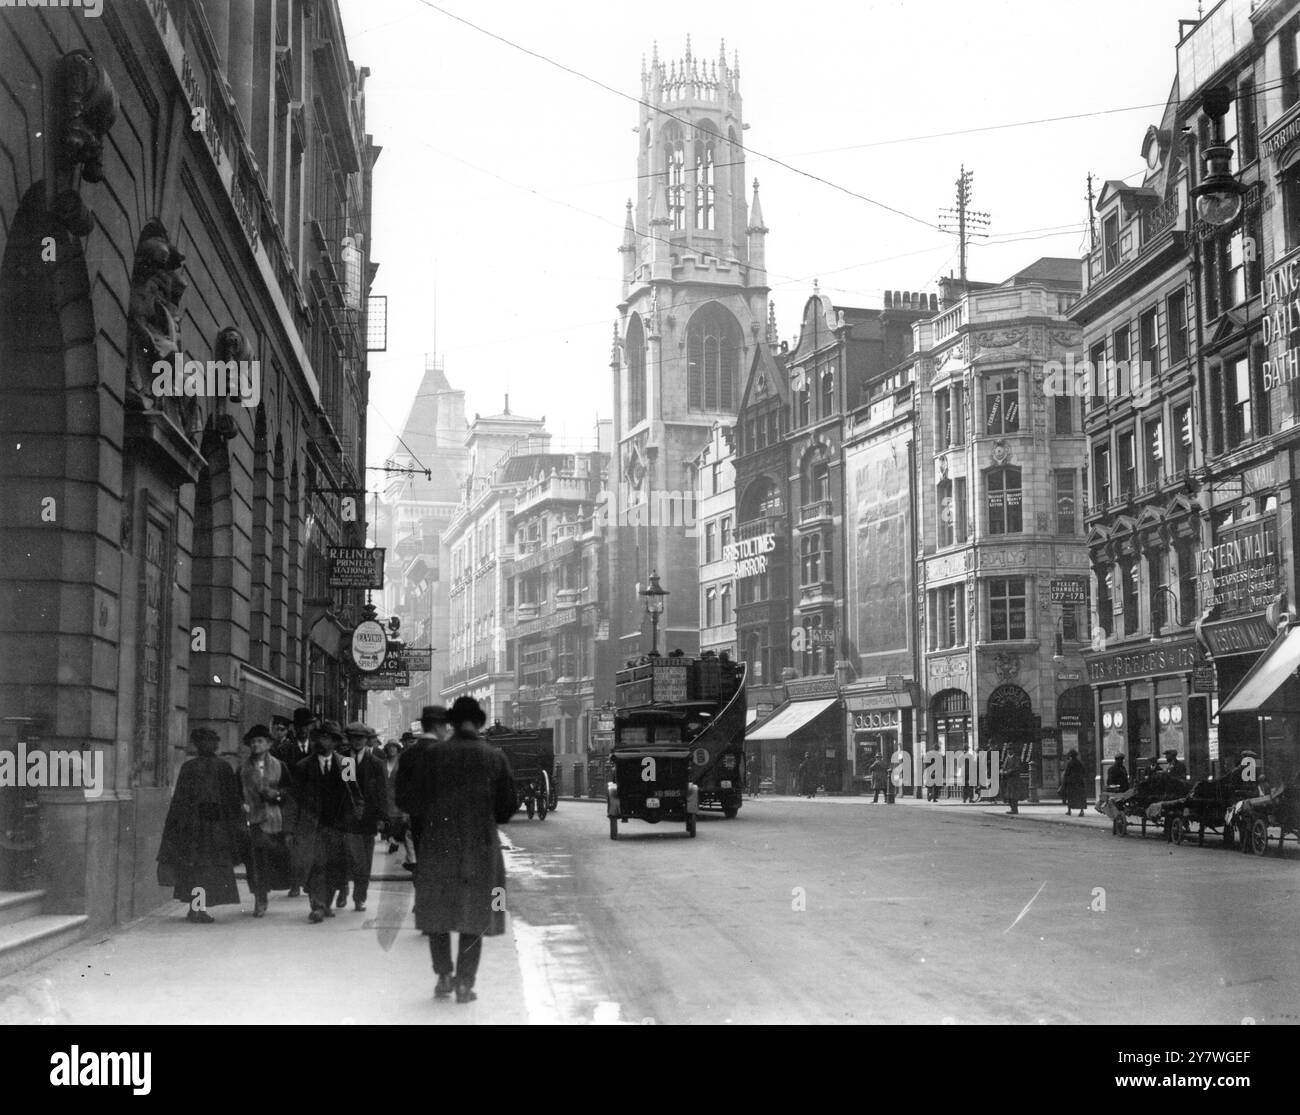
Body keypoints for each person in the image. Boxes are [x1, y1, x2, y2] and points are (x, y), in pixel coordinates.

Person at [396, 696, 515, 1004]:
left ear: (451, 723)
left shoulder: (433, 755)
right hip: (480, 847)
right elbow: (505, 811)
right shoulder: (495, 757)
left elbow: (408, 800)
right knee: (476, 913)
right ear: (478, 722)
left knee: (437, 911)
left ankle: (443, 975)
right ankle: (465, 983)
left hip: (438, 845)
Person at [157, 727, 247, 923]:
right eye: (203, 742)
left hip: (215, 829)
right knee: (197, 871)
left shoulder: (223, 768)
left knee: (208, 871)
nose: (208, 745)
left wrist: (234, 827)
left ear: (215, 744)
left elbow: (232, 800)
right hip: (195, 829)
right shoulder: (189, 768)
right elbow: (180, 801)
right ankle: (196, 908)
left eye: (211, 741)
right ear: (197, 745)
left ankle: (198, 907)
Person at [291, 721, 353, 923]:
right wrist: (291, 829)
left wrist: (354, 819)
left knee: (335, 866)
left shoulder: (346, 764)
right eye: (320, 737)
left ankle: (327, 903)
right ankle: (317, 905)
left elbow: (354, 795)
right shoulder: (303, 767)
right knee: (316, 865)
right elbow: (294, 800)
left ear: (335, 742)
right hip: (313, 826)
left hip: (338, 825)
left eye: (327, 738)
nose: (322, 741)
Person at [239, 725, 291, 917]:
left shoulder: (279, 766)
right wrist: (242, 805)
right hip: (252, 820)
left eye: (260, 741)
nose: (256, 745)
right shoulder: (243, 769)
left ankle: (265, 893)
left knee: (270, 859)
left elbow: (289, 791)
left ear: (268, 744)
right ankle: (259, 898)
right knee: (255, 860)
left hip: (274, 818)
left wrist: (277, 795)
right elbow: (237, 793)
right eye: (252, 742)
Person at [339, 722, 387, 912]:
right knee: (347, 856)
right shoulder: (345, 761)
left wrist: (382, 818)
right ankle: (342, 889)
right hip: (348, 818)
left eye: (361, 738)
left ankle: (360, 897)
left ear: (367, 740)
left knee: (365, 861)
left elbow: (381, 793)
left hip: (368, 819)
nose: (357, 742)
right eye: (354, 738)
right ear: (349, 740)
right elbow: (346, 789)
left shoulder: (375, 763)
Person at [380, 739, 415, 862]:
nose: (391, 749)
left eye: (394, 747)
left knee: (403, 825)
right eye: (389, 747)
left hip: (399, 798)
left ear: (397, 749)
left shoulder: (402, 763)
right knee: (385, 824)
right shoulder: (381, 763)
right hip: (385, 798)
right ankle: (392, 841)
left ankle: (411, 857)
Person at [1060, 748, 1088, 816]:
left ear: (1071, 756)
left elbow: (1067, 773)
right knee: (1080, 796)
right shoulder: (1080, 763)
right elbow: (1084, 771)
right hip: (1079, 782)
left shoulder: (1070, 763)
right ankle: (1081, 811)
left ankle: (1069, 811)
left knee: (1070, 797)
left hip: (1071, 783)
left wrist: (1064, 782)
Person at [1001, 743, 1022, 815]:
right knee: (1008, 795)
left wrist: (1007, 772)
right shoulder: (1007, 758)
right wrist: (1002, 771)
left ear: (1013, 750)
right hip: (1007, 780)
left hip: (1014, 779)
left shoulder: (1017, 758)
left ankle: (1015, 809)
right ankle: (1012, 808)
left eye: (1010, 749)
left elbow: (1017, 768)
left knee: (1013, 795)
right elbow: (1004, 766)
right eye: (1008, 749)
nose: (1009, 751)